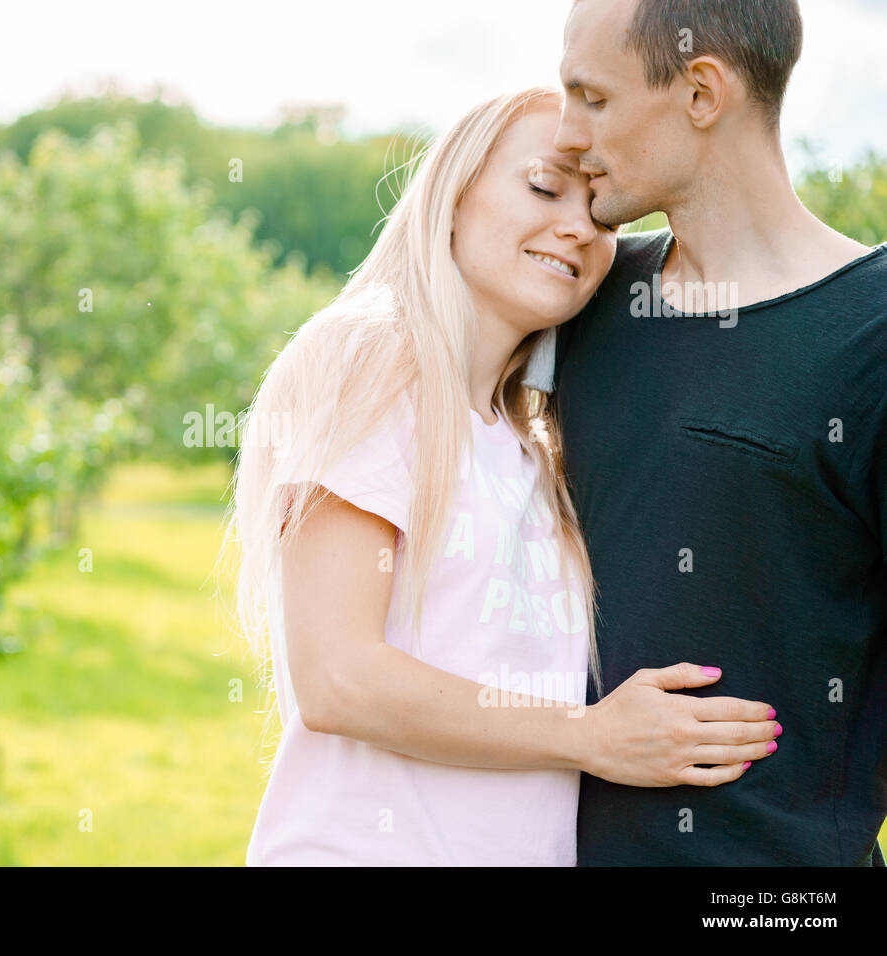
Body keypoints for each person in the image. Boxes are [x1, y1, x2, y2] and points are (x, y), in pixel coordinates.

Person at [229, 87, 781, 866]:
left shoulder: (530, 449)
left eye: (602, 215)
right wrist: (593, 737)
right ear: (452, 196)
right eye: (544, 186)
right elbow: (338, 678)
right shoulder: (372, 354)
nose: (576, 229)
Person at [549, 0, 887, 865]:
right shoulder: (580, 293)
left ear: (701, 91)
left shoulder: (873, 333)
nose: (565, 133)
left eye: (591, 97)